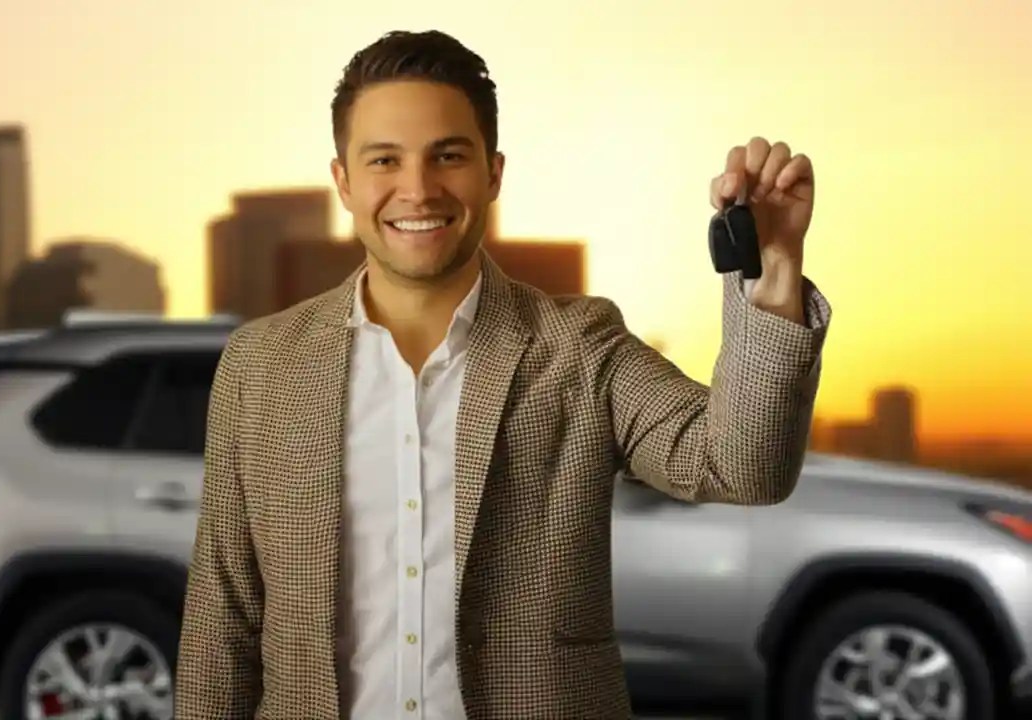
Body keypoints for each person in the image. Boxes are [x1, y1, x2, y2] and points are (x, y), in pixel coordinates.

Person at [176, 29, 832, 720]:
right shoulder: (261, 365)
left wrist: (775, 273)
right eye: (384, 160)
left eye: (447, 156)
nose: (418, 189)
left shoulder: (580, 346)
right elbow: (223, 621)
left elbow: (741, 467)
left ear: (493, 172)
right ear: (343, 180)